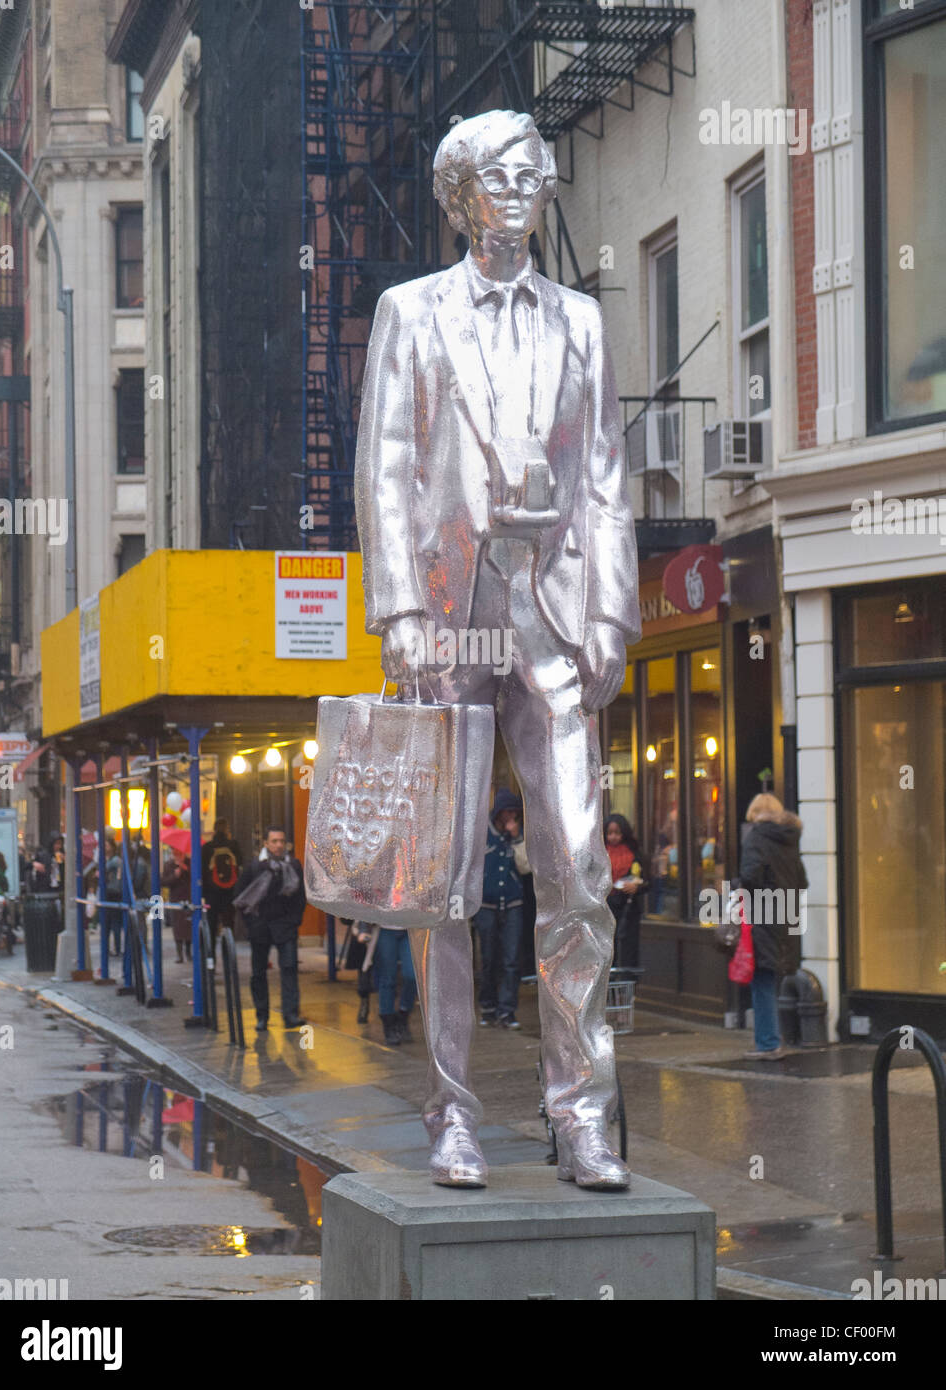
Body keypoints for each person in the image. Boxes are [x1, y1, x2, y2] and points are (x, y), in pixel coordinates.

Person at [355, 110, 641, 1189]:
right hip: (448, 612)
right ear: (460, 195)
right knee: (445, 883)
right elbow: (383, 468)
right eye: (500, 175)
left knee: (576, 872)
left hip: (555, 617)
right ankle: (453, 1112)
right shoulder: (410, 313)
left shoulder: (581, 322)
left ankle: (578, 1115)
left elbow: (607, 472)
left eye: (534, 172)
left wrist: (612, 613)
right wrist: (400, 611)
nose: (523, 188)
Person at [738, 792, 809, 1060]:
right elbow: (802, 881)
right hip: (788, 914)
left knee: (762, 979)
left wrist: (738, 886)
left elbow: (750, 876)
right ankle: (772, 1039)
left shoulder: (756, 837)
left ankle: (768, 1043)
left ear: (755, 813)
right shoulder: (790, 840)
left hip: (764, 915)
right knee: (774, 976)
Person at [233, 827, 307, 1032]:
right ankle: (262, 1016)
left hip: (285, 926)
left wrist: (295, 921)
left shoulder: (293, 865)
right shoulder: (255, 867)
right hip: (260, 927)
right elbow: (240, 896)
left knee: (290, 969)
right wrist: (251, 924)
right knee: (258, 973)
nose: (279, 845)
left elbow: (300, 896)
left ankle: (291, 1014)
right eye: (274, 841)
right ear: (266, 843)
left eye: (282, 841)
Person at [472, 789, 526, 1029]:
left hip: (513, 904)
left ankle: (507, 1010)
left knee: (511, 959)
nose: (511, 817)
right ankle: (488, 1006)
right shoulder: (484, 834)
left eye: (515, 813)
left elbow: (525, 868)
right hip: (486, 905)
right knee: (488, 957)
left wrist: (516, 839)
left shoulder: (521, 836)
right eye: (507, 812)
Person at [604, 814, 645, 971]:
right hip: (607, 907)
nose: (613, 837)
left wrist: (636, 887)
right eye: (610, 833)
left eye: (617, 833)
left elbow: (647, 880)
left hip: (628, 909)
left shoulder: (634, 853)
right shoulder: (600, 853)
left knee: (628, 950)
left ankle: (627, 987)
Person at [370, 923, 417, 1044]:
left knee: (412, 976)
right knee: (387, 978)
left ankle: (403, 1015)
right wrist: (363, 928)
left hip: (410, 928)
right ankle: (388, 1025)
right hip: (385, 928)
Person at [201, 817, 243, 938]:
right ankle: (228, 951)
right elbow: (239, 862)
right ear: (226, 829)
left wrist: (203, 893)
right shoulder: (233, 845)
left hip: (211, 892)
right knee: (228, 923)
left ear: (214, 830)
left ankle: (211, 954)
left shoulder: (207, 847)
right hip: (229, 891)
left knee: (211, 923)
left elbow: (203, 870)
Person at [161, 847, 193, 963]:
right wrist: (175, 876)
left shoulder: (189, 862)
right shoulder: (169, 865)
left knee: (188, 924)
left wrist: (185, 869)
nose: (177, 856)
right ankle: (179, 953)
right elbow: (163, 882)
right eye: (175, 853)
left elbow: (196, 877)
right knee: (178, 927)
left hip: (188, 897)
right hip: (175, 898)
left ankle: (188, 951)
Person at [343, 918, 375, 1025]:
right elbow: (344, 919)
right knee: (363, 975)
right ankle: (364, 1005)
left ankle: (366, 1007)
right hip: (361, 936)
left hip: (379, 931)